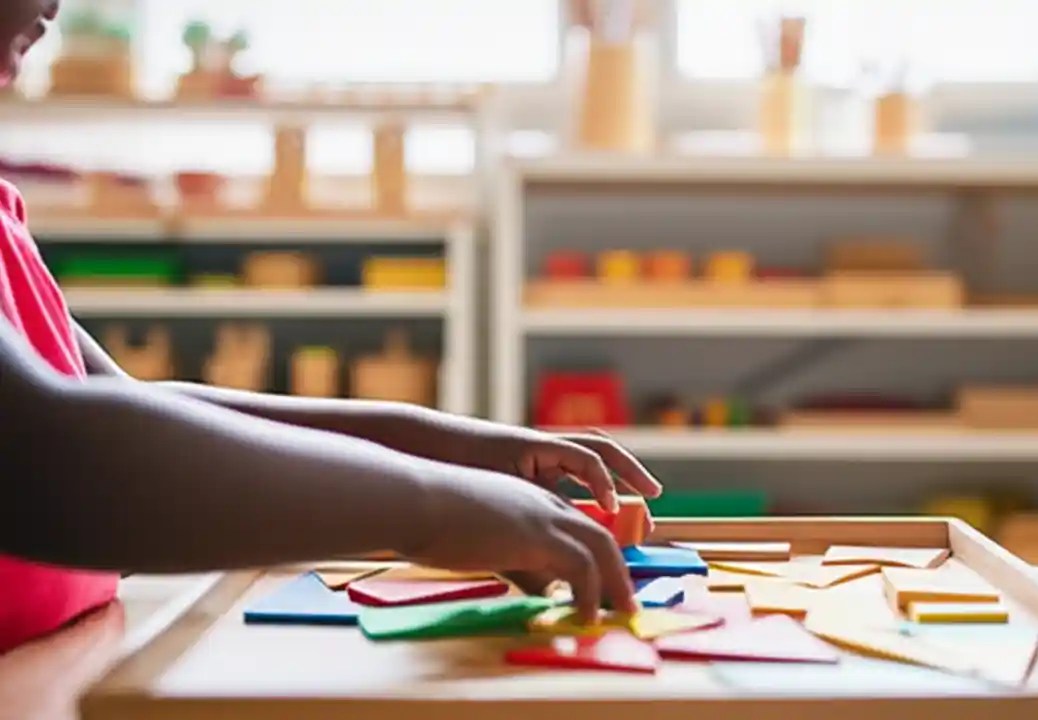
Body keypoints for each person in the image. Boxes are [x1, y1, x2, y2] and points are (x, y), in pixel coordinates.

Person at [0, 0, 660, 654]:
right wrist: (430, 508)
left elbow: (118, 410)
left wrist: (443, 448)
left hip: (61, 670)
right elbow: (47, 455)